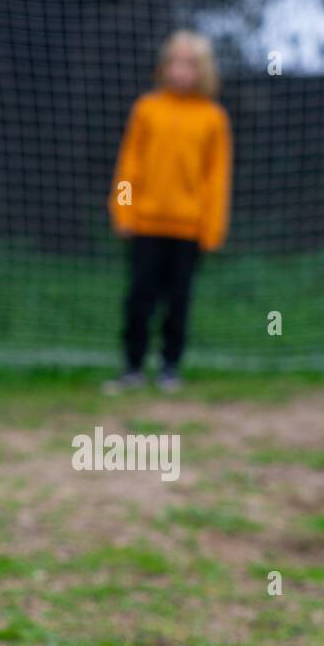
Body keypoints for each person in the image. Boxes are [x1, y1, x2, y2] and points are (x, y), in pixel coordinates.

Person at [105, 30, 232, 393]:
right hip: (145, 223)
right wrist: (124, 211)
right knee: (139, 297)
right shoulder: (147, 109)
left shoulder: (212, 118)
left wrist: (211, 227)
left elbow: (216, 178)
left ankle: (170, 368)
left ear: (203, 70)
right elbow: (130, 166)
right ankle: (131, 368)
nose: (180, 70)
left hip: (188, 229)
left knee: (179, 300)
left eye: (189, 63)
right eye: (175, 62)